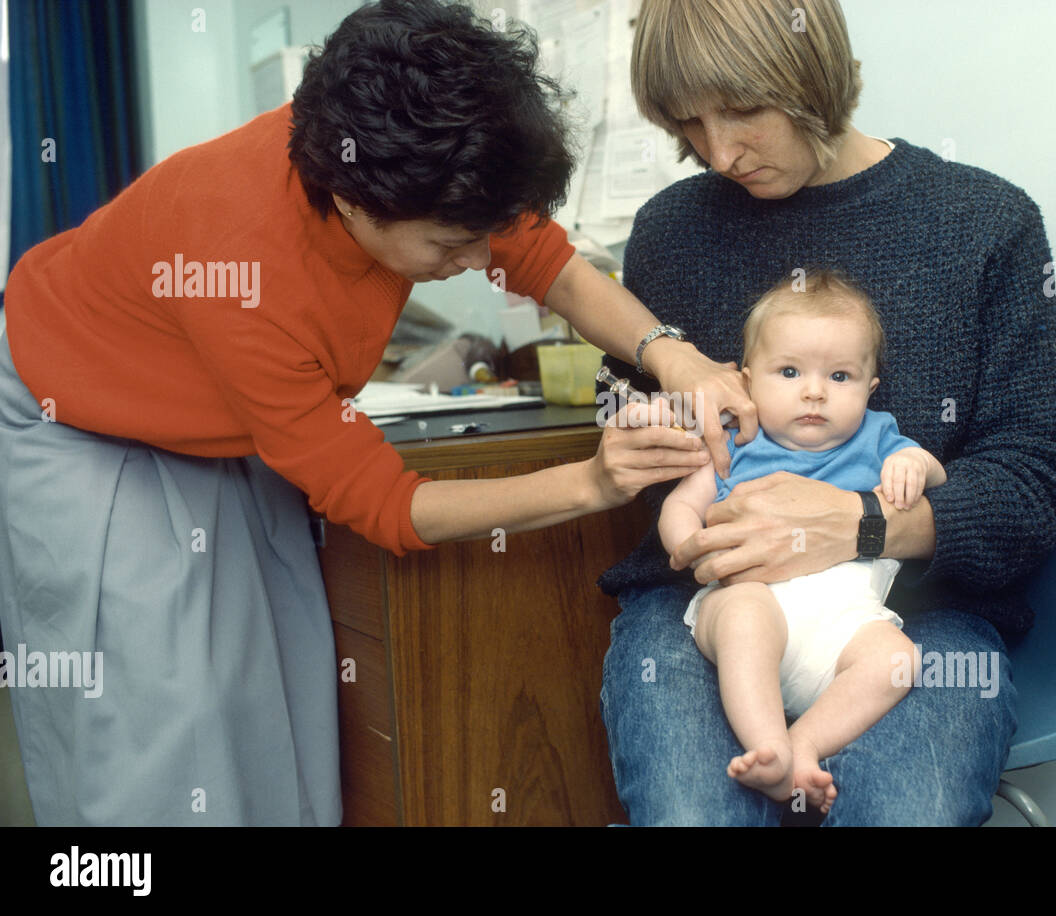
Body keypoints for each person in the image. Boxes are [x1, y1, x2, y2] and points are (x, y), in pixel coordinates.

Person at [0, 0, 755, 826]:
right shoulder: (239, 260)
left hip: (214, 414)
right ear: (355, 204)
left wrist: (676, 357)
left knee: (281, 686)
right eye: (447, 248)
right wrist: (590, 483)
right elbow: (387, 505)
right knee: (158, 711)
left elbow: (542, 260)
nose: (477, 263)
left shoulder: (411, 152)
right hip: (74, 409)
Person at [597, 0, 1056, 826]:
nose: (719, 152)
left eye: (744, 111)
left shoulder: (982, 225)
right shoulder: (670, 231)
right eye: (689, 125)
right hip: (706, 606)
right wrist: (627, 432)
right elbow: (620, 399)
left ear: (811, 75)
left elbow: (1033, 483)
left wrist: (858, 525)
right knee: (692, 813)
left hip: (919, 615)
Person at [659, 270, 945, 814]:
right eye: (789, 372)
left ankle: (803, 746)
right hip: (750, 603)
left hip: (843, 628)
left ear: (870, 389)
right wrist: (689, 544)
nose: (814, 391)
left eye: (840, 376)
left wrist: (915, 463)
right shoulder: (738, 444)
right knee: (744, 613)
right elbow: (682, 503)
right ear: (746, 383)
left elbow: (934, 473)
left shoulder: (879, 438)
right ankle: (766, 742)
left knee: (897, 659)